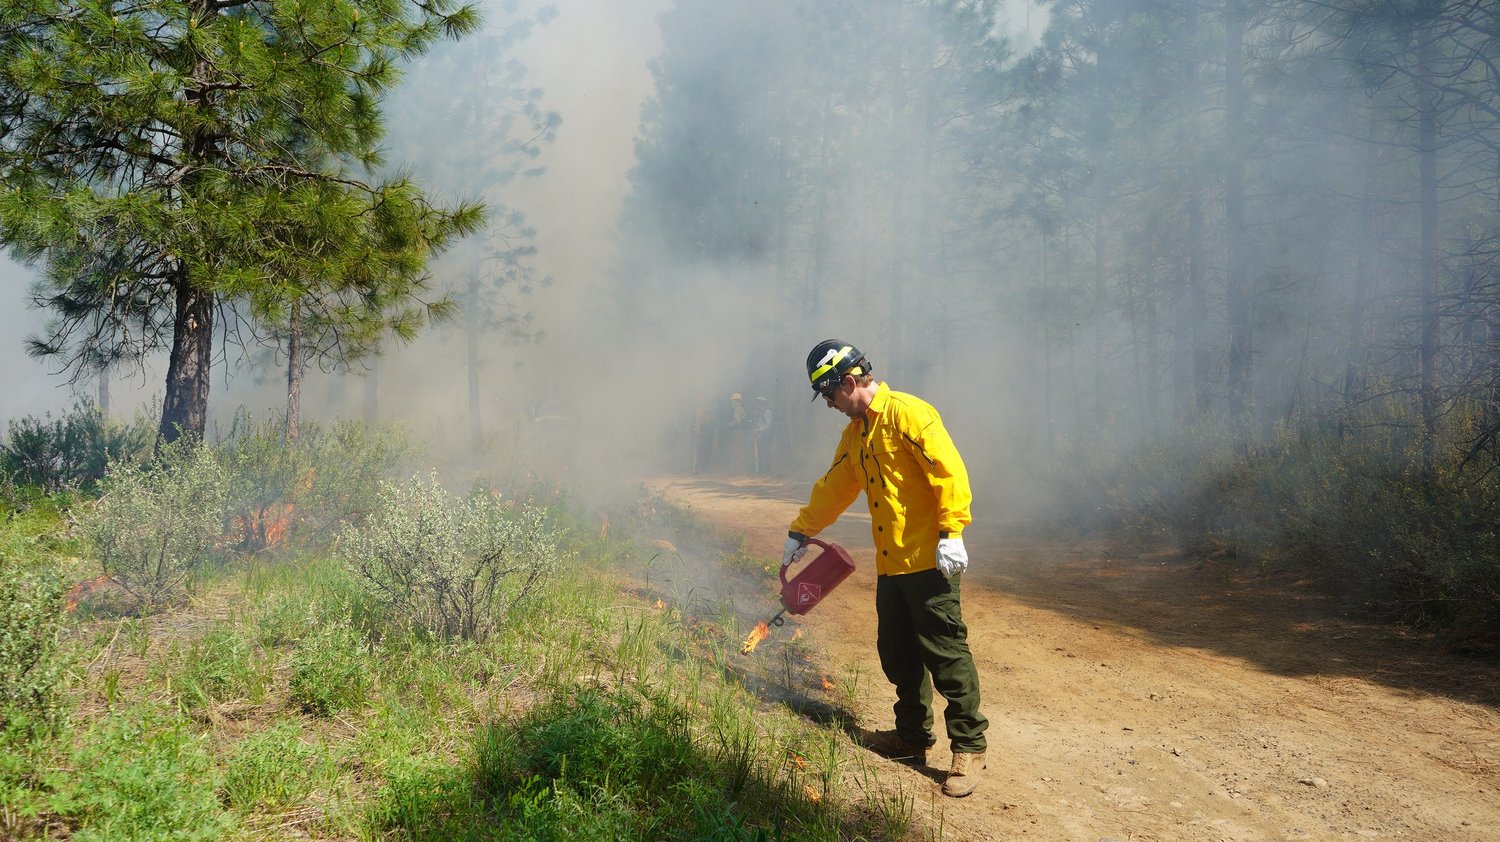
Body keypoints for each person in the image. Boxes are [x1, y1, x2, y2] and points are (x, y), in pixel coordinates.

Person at [781, 340, 988, 798]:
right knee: (897, 652)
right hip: (891, 564)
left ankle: (969, 748)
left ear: (848, 382)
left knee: (945, 655)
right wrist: (801, 530)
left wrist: (952, 530)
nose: (829, 405)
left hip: (930, 560)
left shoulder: (908, 414)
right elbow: (835, 486)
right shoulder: (856, 435)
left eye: (829, 395)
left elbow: (948, 470)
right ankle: (911, 738)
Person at [750, 396, 773, 474]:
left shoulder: (767, 411)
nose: (756, 405)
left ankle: (766, 470)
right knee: (760, 452)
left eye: (758, 403)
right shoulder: (759, 412)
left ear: (761, 403)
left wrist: (758, 430)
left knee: (765, 452)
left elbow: (768, 425)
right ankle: (761, 469)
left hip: (766, 435)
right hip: (760, 435)